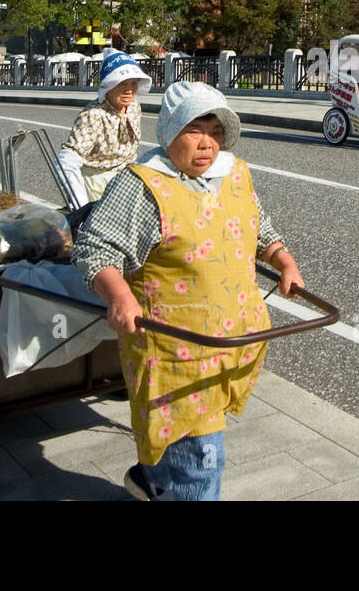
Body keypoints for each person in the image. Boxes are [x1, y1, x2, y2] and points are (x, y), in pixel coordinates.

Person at [73, 81, 304, 501]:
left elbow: (257, 225)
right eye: (195, 130)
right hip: (174, 351)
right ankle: (169, 483)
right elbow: (95, 247)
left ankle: (155, 478)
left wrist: (282, 259)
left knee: (192, 451)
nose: (208, 144)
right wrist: (119, 294)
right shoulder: (143, 185)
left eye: (216, 132)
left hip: (231, 342)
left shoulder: (235, 173)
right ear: (170, 132)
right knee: (201, 459)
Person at [57, 48, 152, 208]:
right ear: (108, 85)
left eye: (133, 83)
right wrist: (80, 206)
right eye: (122, 83)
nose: (129, 90)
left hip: (127, 176)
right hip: (98, 183)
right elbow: (67, 160)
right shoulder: (93, 115)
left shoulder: (134, 106)